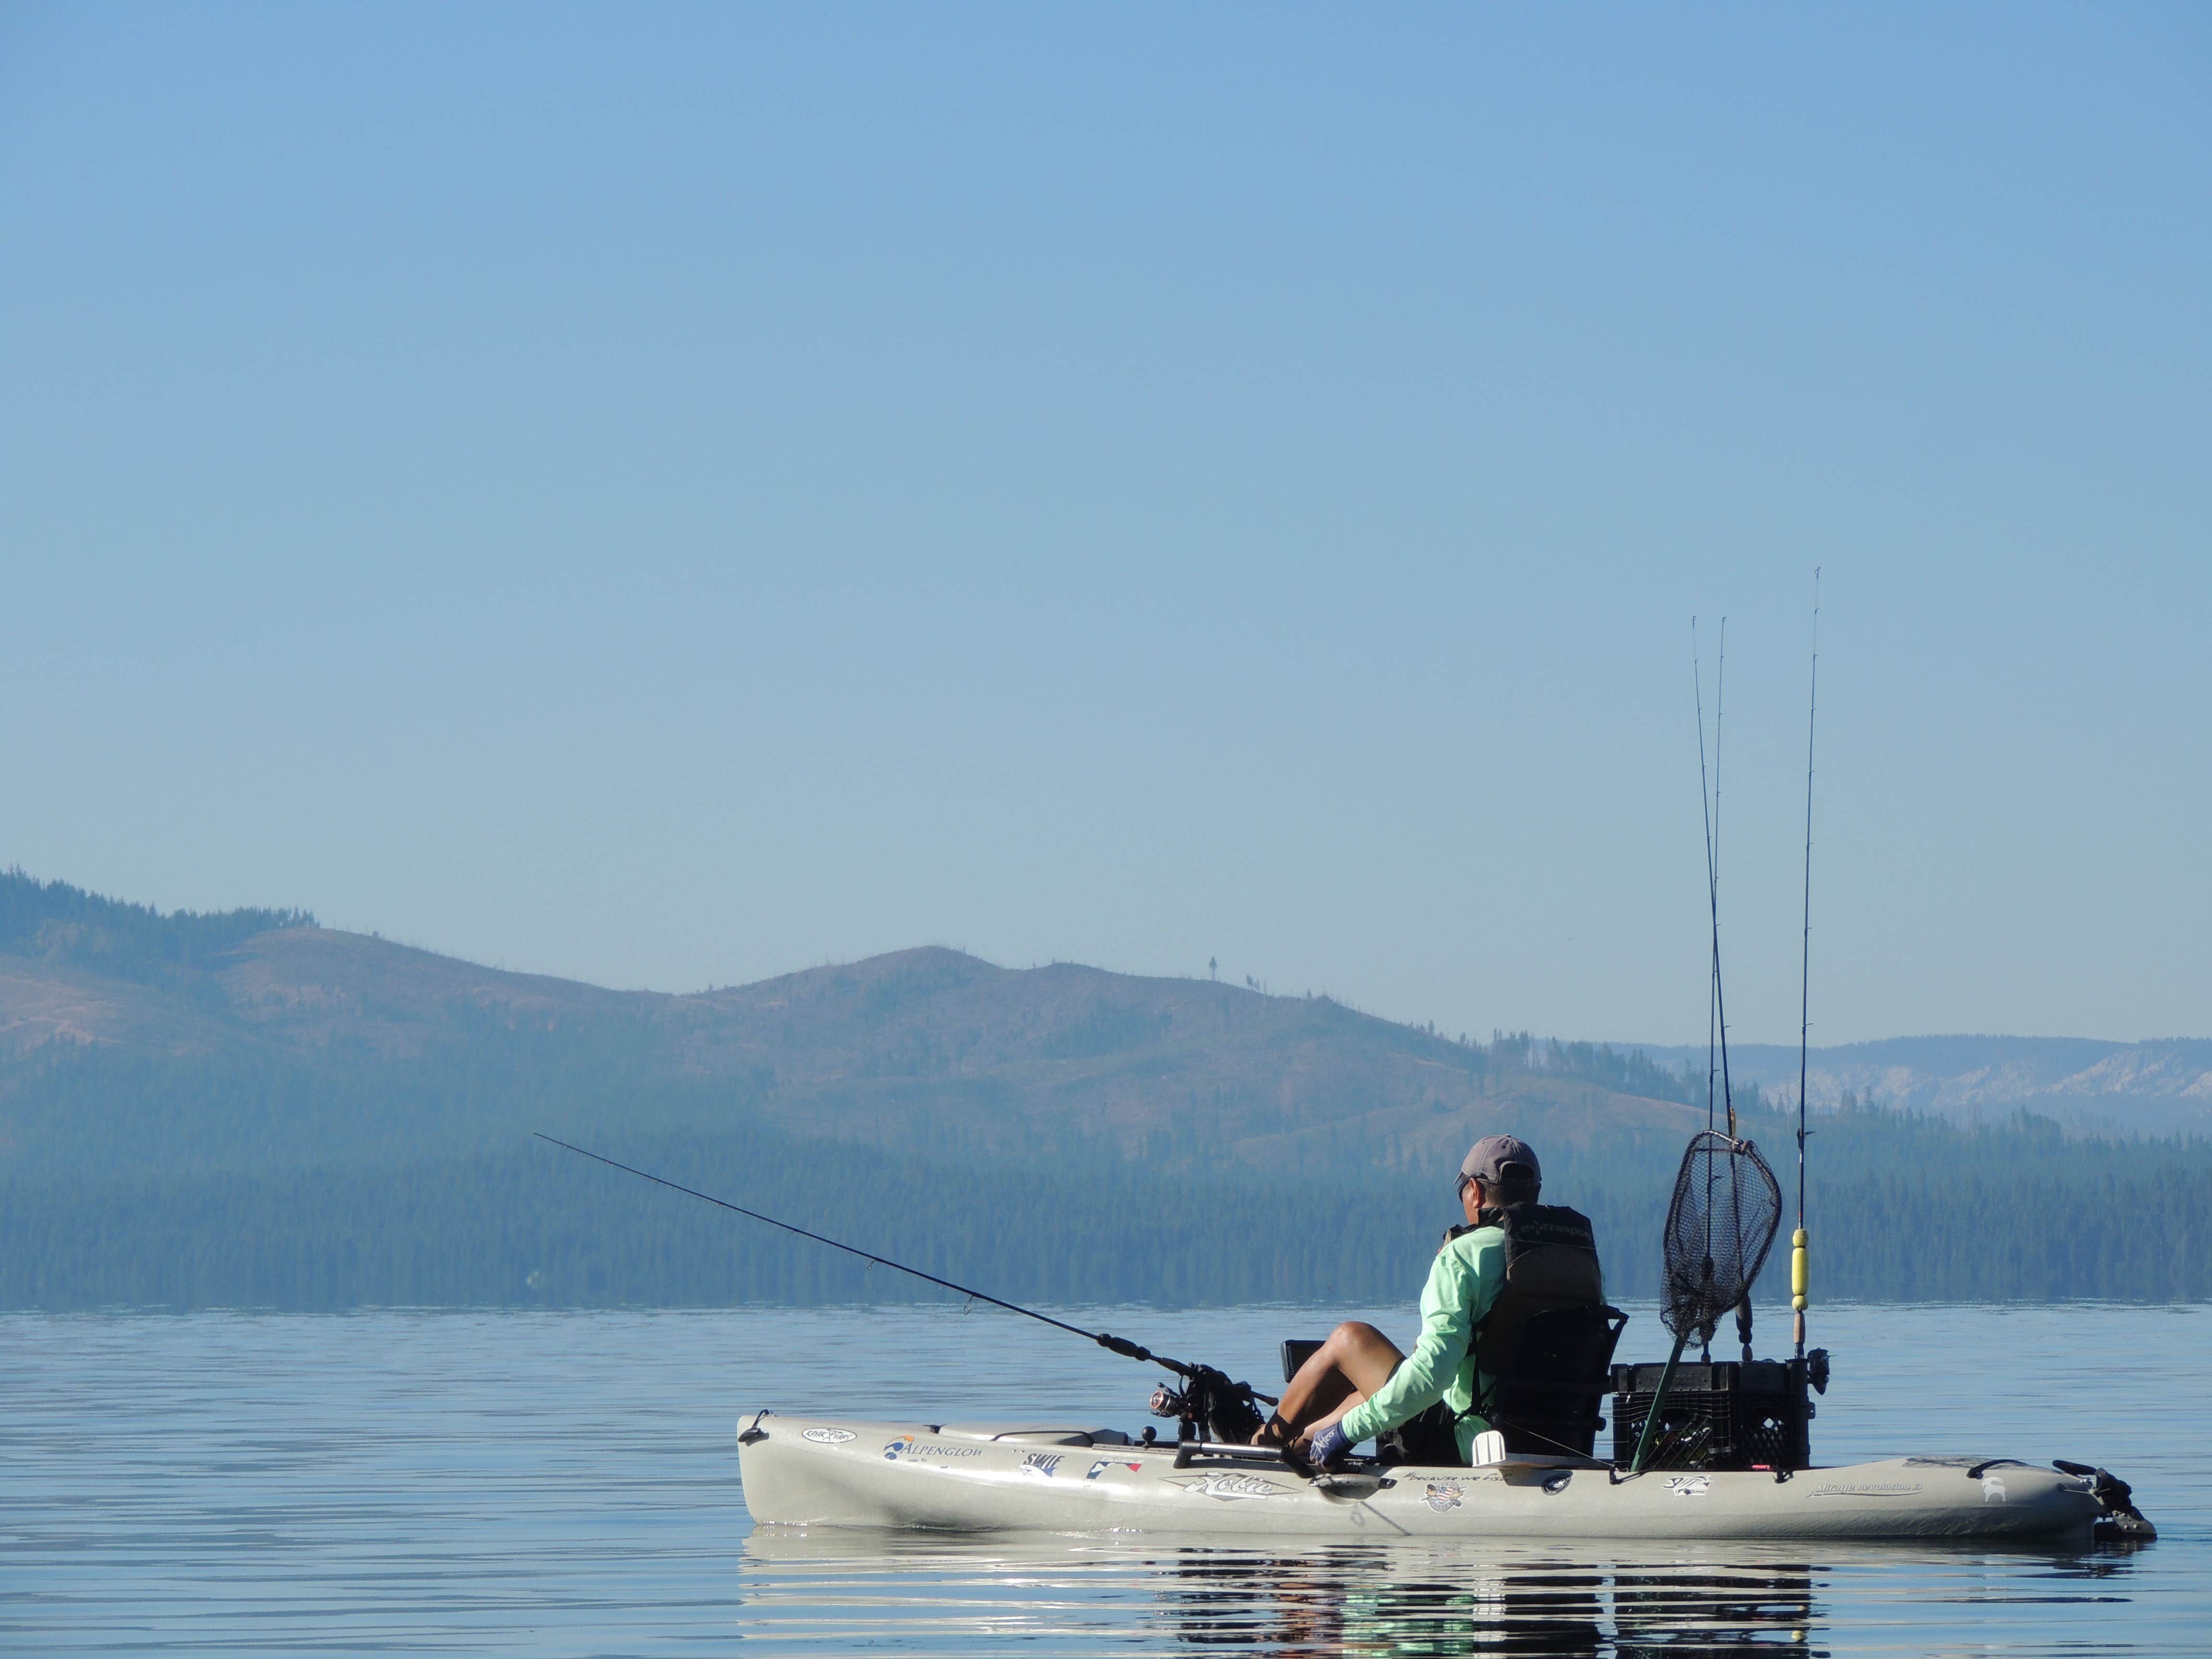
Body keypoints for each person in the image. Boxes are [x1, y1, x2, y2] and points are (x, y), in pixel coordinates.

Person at [1253, 1134, 1565, 1468]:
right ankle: (1299, 1446)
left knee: (1350, 1337)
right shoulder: (1570, 1260)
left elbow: (1432, 1375)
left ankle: (1259, 1447)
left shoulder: (1464, 1255)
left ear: (1474, 1191)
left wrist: (1348, 1431)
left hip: (1469, 1442)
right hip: (1558, 1436)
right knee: (1386, 1387)